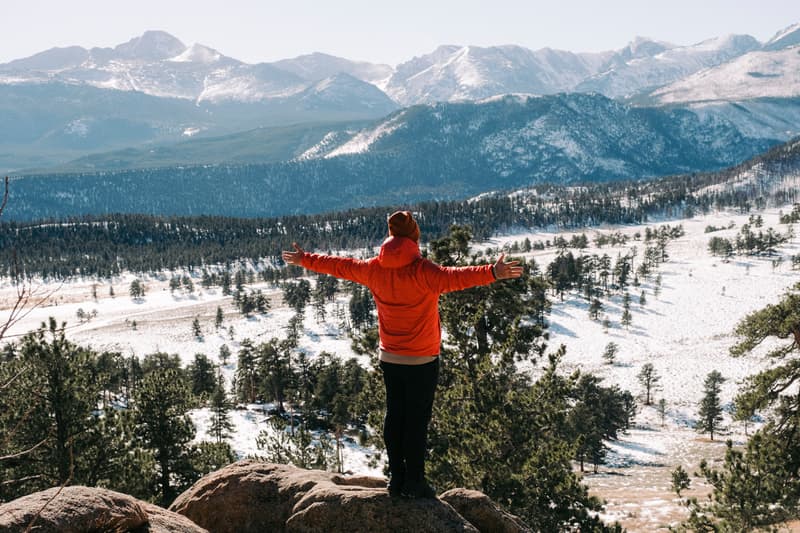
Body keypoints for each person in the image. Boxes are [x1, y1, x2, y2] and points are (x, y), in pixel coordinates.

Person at [282, 210, 522, 498]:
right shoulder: (424, 271)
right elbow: (457, 277)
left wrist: (305, 259)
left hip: (390, 358)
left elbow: (340, 266)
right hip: (422, 359)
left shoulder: (374, 268)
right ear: (414, 236)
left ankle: (396, 478)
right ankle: (416, 481)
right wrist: (493, 272)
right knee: (416, 421)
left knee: (395, 416)